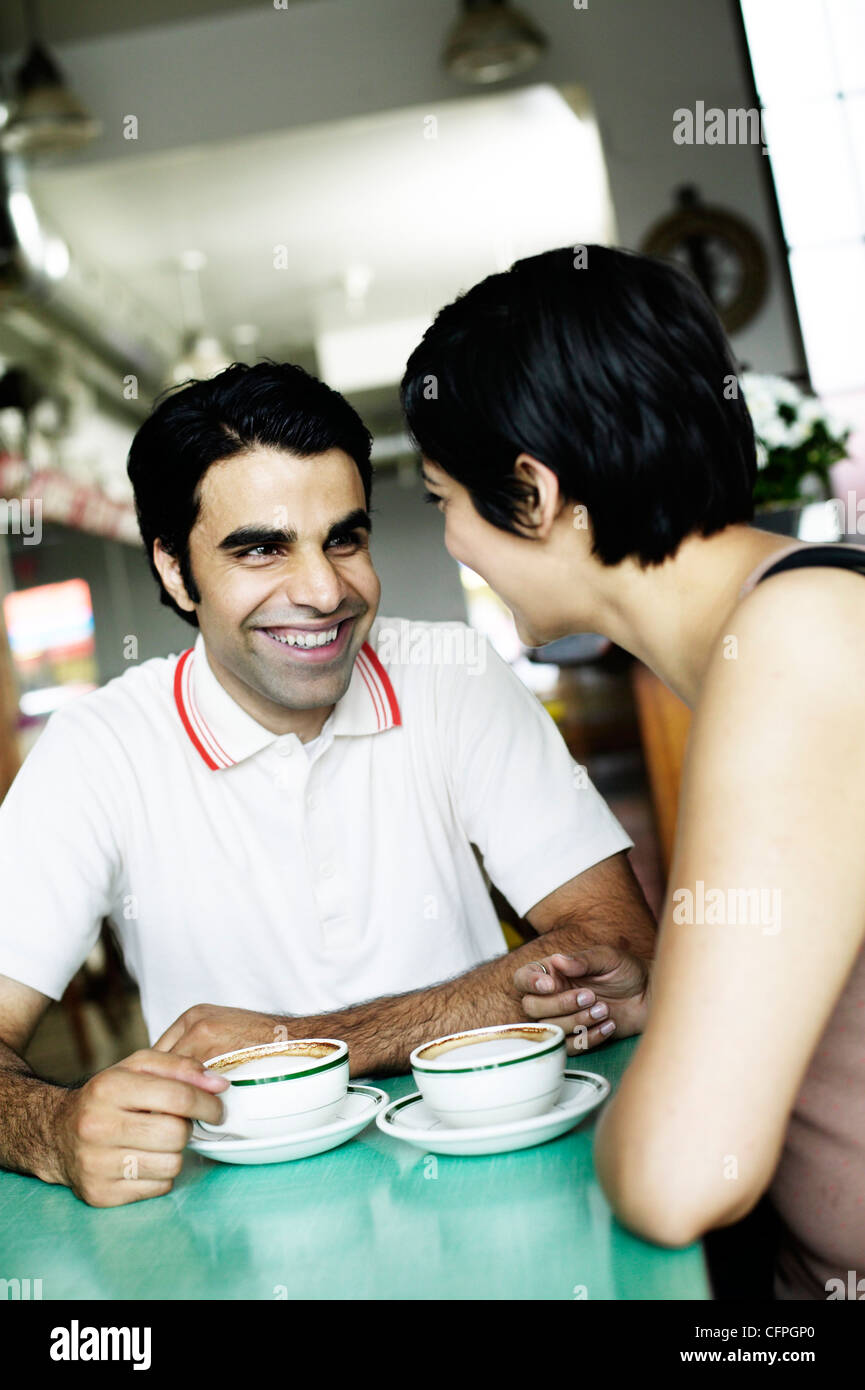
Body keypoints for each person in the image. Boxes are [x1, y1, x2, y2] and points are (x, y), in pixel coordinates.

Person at [0, 360, 655, 1208]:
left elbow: (620, 960)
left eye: (343, 538)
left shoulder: (450, 673)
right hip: (245, 1223)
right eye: (262, 549)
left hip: (497, 1176)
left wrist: (300, 1042)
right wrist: (55, 1130)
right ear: (172, 570)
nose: (323, 591)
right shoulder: (96, 750)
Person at [401, 244, 865, 1301]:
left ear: (531, 491)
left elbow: (673, 1179)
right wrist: (679, 1003)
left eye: (443, 499)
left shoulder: (800, 640)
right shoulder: (780, 626)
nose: (453, 541)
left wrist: (648, 1100)